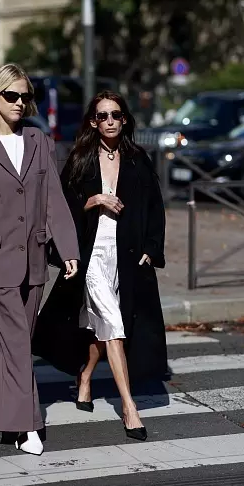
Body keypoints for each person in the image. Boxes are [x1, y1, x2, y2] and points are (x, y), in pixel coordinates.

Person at [0, 63, 80, 455]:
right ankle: (25, 426)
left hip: (35, 258)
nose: (20, 102)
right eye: (12, 95)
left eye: (25, 96)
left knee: (13, 339)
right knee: (19, 345)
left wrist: (69, 249)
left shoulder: (39, 141)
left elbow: (54, 198)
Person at [33, 91, 167, 441]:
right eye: (103, 115)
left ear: (124, 120)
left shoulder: (138, 159)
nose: (109, 121)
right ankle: (129, 407)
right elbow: (59, 207)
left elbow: (155, 206)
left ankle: (86, 377)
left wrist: (152, 249)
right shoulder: (79, 158)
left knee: (102, 326)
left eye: (116, 115)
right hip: (91, 252)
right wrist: (92, 200)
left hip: (126, 253)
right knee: (114, 323)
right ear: (93, 121)